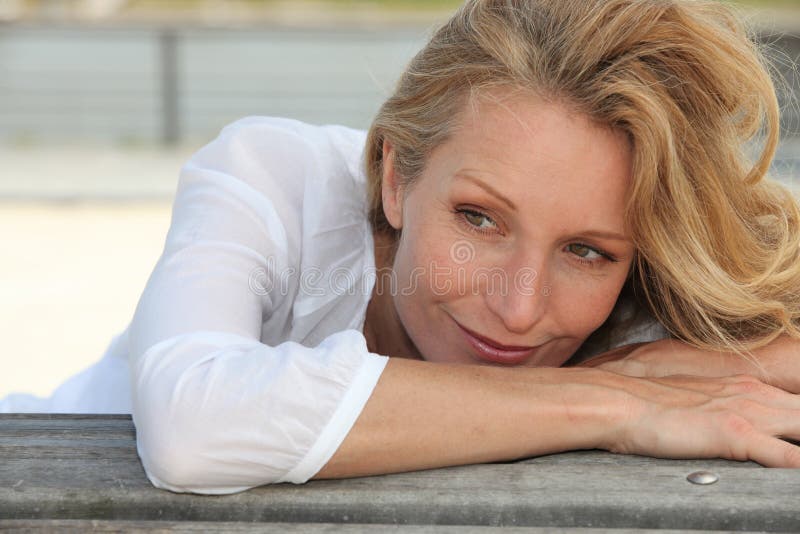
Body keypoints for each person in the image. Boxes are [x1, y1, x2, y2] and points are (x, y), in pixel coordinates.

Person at [3, 0, 800, 494]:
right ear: (392, 175)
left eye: (587, 252)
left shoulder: (638, 306)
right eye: (479, 219)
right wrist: (616, 403)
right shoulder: (272, 178)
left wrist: (680, 368)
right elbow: (193, 427)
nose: (520, 310)